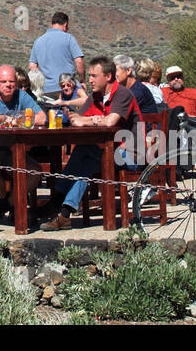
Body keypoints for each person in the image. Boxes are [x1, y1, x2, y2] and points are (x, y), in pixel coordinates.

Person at [40, 56, 140, 231]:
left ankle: (57, 205)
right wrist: (88, 119)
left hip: (131, 154)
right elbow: (75, 119)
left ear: (108, 76)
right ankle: (64, 212)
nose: (89, 80)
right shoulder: (95, 97)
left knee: (88, 155)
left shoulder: (123, 94)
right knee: (85, 155)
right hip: (104, 151)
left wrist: (88, 121)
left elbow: (110, 122)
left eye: (94, 76)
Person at [0, 64, 45, 208]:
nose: (8, 85)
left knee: (35, 170)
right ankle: (8, 200)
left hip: (12, 153)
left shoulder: (22, 95)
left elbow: (42, 117)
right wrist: (6, 118)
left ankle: (8, 203)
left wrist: (17, 120)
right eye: (3, 82)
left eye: (11, 81)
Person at [28, 12, 84, 97]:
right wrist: (82, 81)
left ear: (52, 24)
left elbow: (32, 66)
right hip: (67, 88)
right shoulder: (69, 38)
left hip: (46, 90)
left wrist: (38, 87)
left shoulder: (38, 41)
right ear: (65, 24)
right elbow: (79, 62)